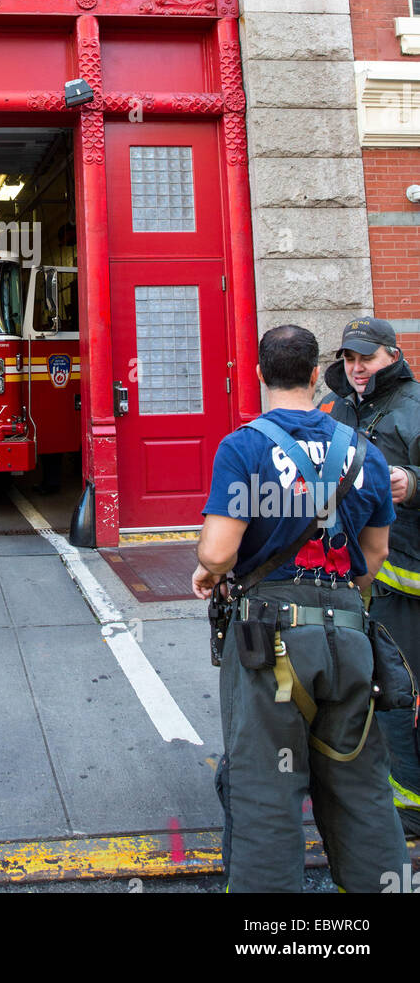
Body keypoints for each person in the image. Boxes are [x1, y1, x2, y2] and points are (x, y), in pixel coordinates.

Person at [192, 324, 409, 893]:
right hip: (349, 635)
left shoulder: (243, 446)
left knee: (265, 785)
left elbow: (219, 551)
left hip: (272, 644)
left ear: (260, 374)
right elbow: (376, 554)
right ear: (317, 376)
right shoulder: (362, 451)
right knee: (360, 784)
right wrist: (343, 594)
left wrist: (208, 569)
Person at [320, 316, 420, 837]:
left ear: (393, 356)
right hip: (361, 579)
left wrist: (415, 482)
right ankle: (390, 796)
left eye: (368, 358)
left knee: (399, 694)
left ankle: (410, 808)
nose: (357, 368)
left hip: (408, 584)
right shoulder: (341, 406)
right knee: (375, 690)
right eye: (350, 359)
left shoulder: (413, 410)